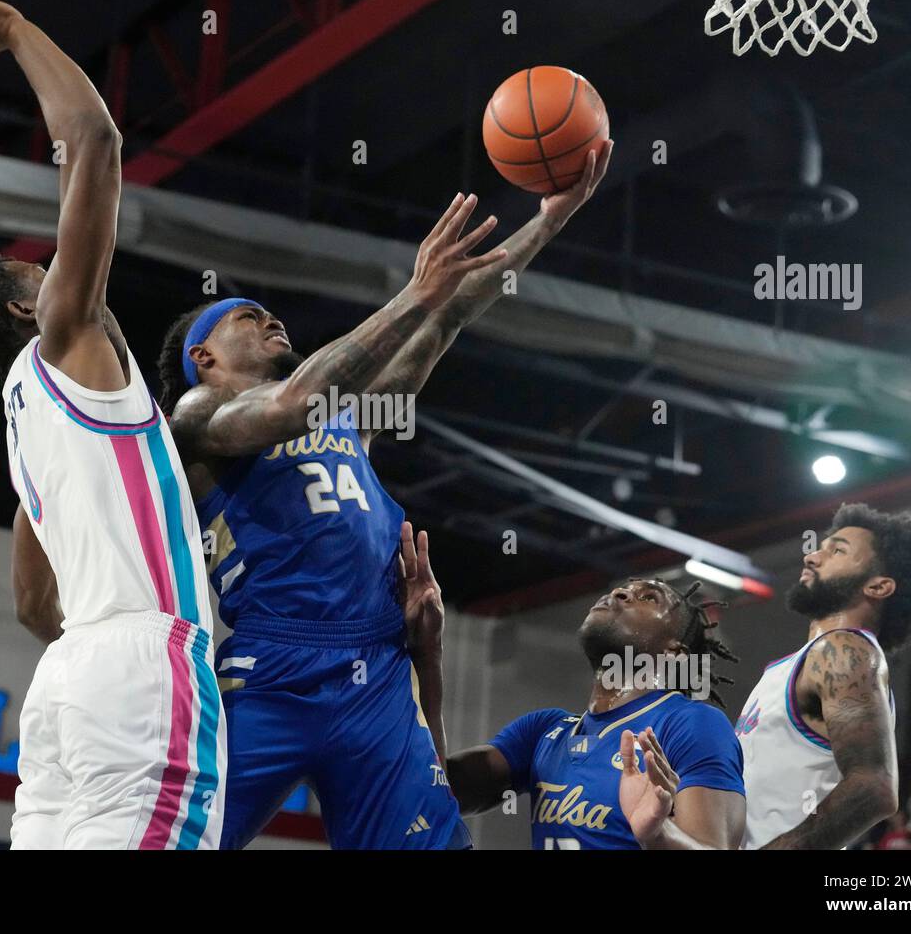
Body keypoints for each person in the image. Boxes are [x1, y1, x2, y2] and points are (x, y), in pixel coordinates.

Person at [155, 144, 614, 849]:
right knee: (174, 840)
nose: (269, 318)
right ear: (203, 357)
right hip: (272, 668)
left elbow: (448, 317)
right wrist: (414, 293)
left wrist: (550, 220)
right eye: (246, 315)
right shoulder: (198, 417)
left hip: (376, 665)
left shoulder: (350, 419)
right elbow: (293, 402)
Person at [0, 0, 221, 848]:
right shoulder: (67, 339)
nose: (59, 271)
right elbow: (94, 140)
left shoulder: (25, 430)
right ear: (29, 310)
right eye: (40, 273)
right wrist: (15, 30)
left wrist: (96, 652)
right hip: (138, 660)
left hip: (65, 684)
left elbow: (29, 600)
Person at [446, 572, 746, 850]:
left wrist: (659, 835)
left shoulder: (691, 723)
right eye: (624, 588)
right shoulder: (545, 730)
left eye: (648, 597)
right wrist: (426, 654)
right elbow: (433, 787)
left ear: (674, 652)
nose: (620, 593)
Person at [736, 503, 911, 849]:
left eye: (837, 550)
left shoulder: (845, 652)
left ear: (878, 587)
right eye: (821, 546)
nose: (812, 557)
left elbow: (874, 787)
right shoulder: (788, 667)